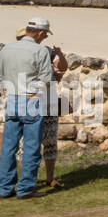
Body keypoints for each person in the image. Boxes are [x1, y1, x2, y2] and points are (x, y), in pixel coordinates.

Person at [0, 17, 56, 199]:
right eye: (45, 35)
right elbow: (46, 79)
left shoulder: (6, 49)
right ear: (40, 33)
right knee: (32, 147)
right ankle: (25, 188)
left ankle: (4, 188)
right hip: (31, 100)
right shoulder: (40, 51)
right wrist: (34, 92)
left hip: (12, 98)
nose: (44, 38)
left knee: (9, 147)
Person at [35, 28, 68, 190]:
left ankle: (49, 178)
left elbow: (62, 67)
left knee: (50, 143)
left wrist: (60, 55)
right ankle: (27, 179)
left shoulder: (47, 52)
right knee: (27, 144)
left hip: (49, 105)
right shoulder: (22, 54)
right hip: (30, 104)